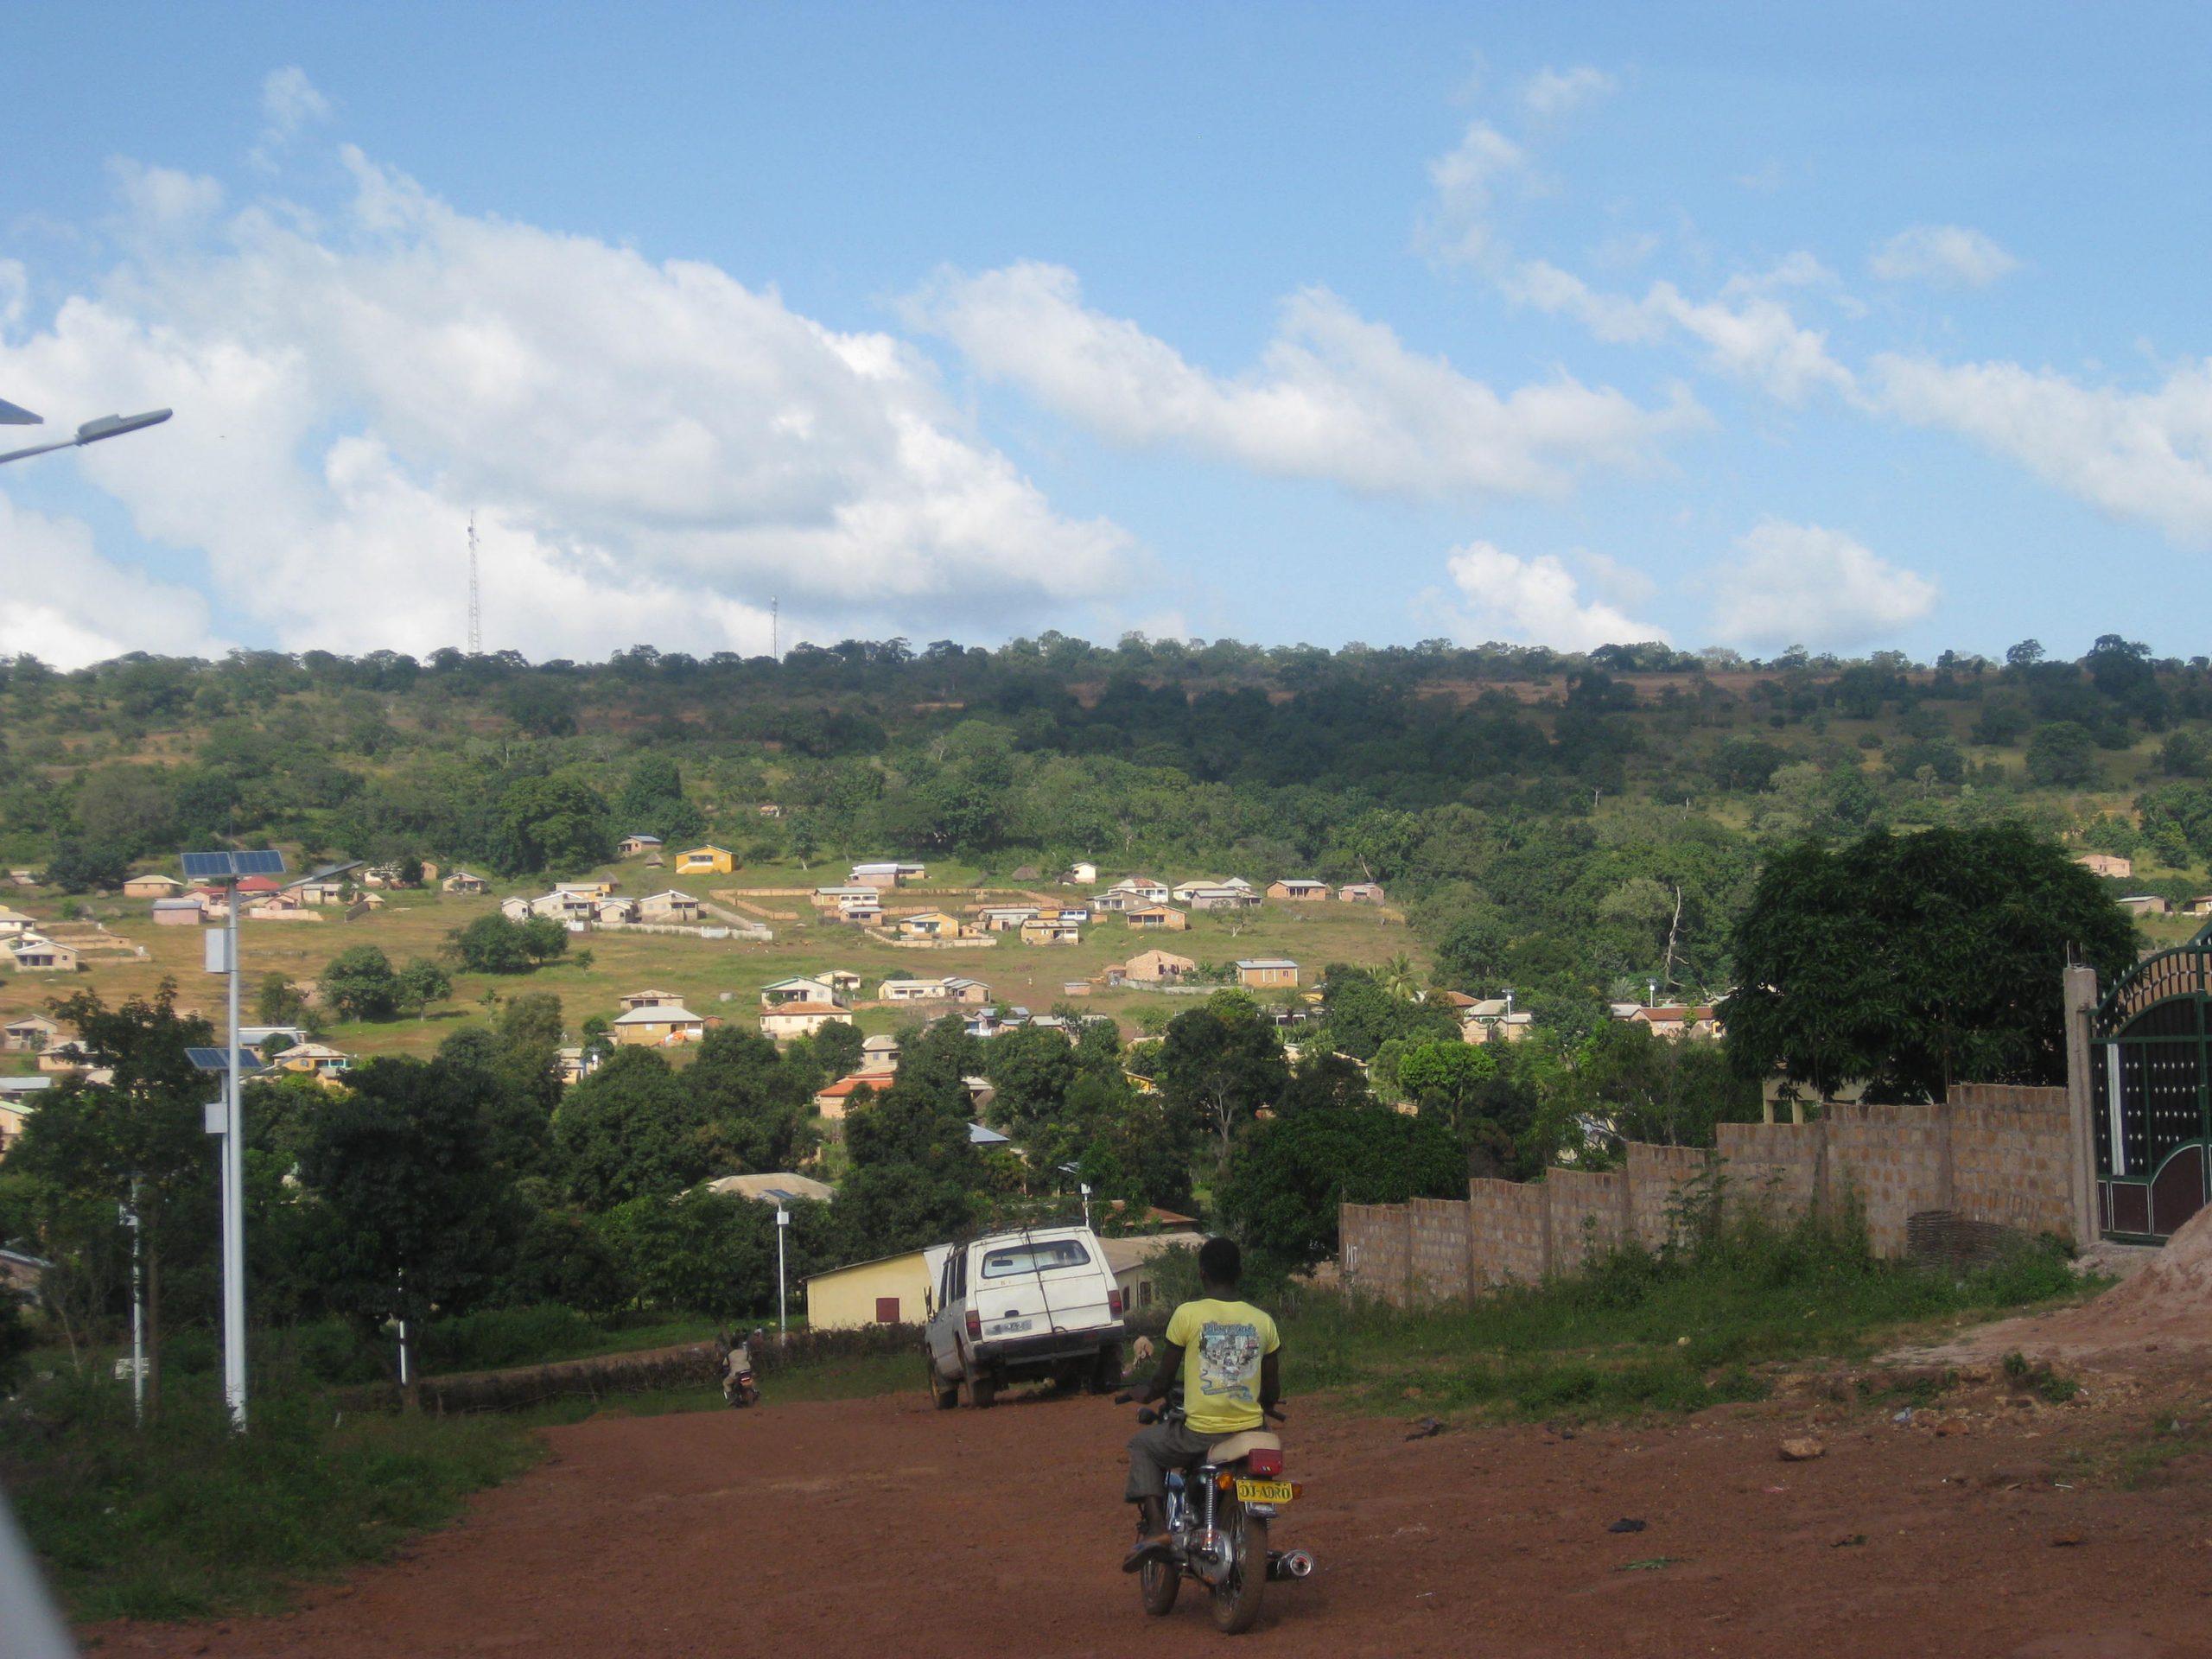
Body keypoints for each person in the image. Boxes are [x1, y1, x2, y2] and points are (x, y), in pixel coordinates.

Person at [1121, 1236, 1281, 1571]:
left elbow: (1163, 1383)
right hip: (1251, 1432)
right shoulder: (1264, 1322)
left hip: (1201, 1434)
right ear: (1239, 1272)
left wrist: (1141, 1393)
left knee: (1143, 1446)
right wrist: (1261, 1406)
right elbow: (1271, 1393)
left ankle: (1158, 1530)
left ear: (1202, 1273)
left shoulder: (1187, 1315)